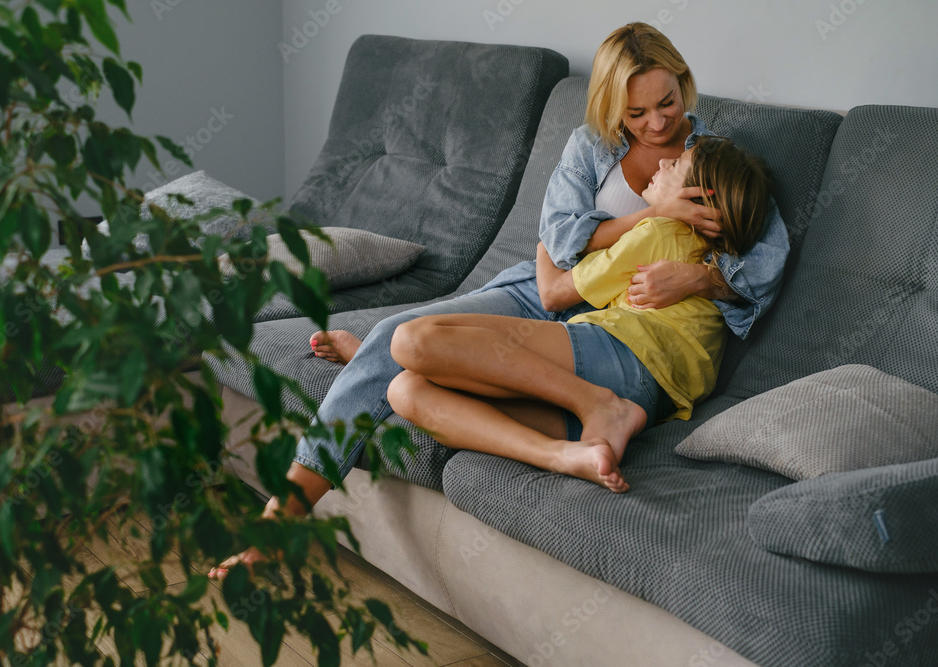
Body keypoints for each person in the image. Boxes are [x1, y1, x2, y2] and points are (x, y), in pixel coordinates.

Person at [209, 23, 790, 579]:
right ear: (611, 107)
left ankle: (393, 358)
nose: (657, 123)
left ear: (682, 83)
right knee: (395, 342)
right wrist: (653, 215)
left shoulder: (709, 161)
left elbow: (762, 262)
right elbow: (558, 245)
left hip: (617, 321)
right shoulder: (592, 145)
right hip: (546, 300)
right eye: (635, 113)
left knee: (401, 349)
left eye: (666, 102)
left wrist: (699, 281)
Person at [385, 136, 771, 495]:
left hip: (620, 351)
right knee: (405, 390)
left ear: (700, 196)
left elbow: (554, 293)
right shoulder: (710, 260)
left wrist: (547, 240)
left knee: (411, 339)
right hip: (651, 399)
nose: (666, 159)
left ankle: (595, 404)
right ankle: (562, 455)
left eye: (679, 163)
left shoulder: (662, 230)